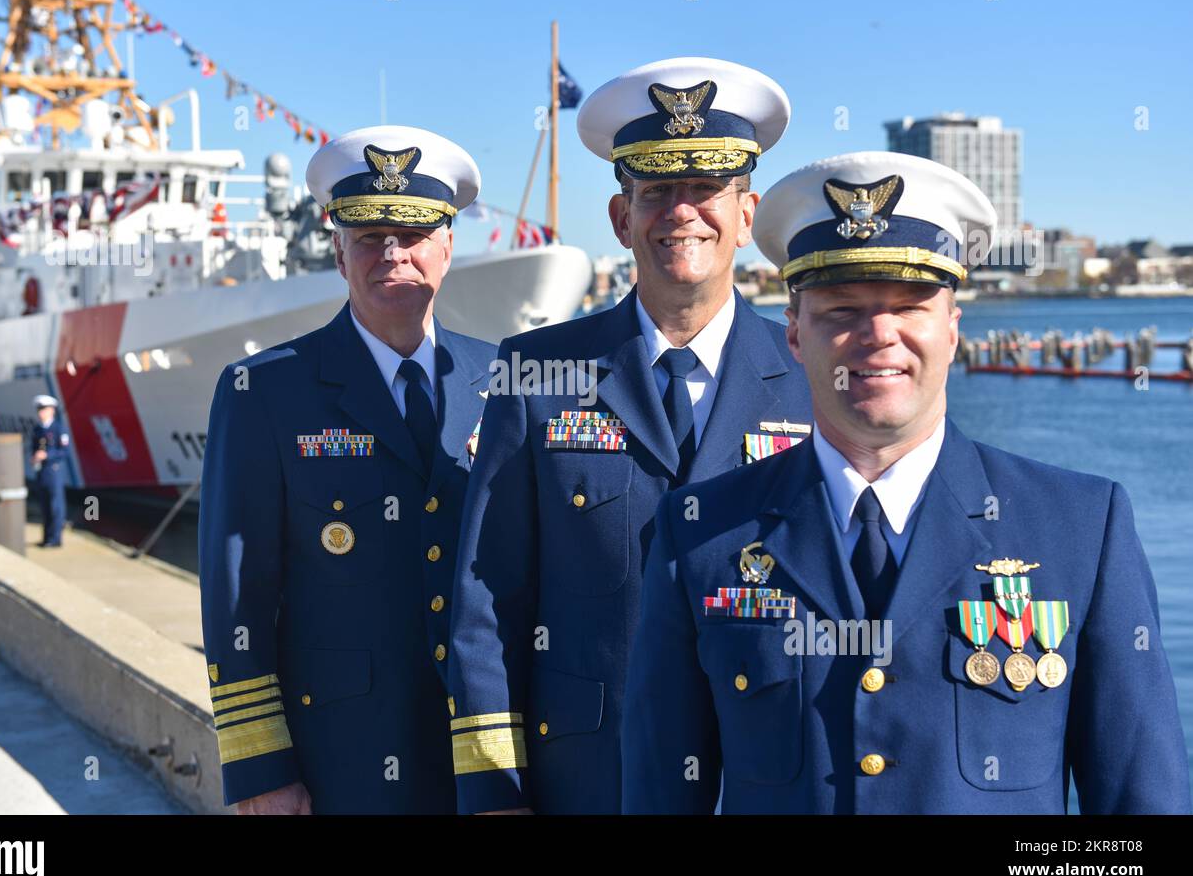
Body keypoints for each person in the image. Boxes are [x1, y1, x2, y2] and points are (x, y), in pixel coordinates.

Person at [621, 151, 1192, 813]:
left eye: (910, 306)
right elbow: (662, 790)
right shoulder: (702, 536)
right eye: (840, 309)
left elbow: (1137, 806)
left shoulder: (1081, 529)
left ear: (952, 329)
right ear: (796, 335)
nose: (878, 335)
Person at [446, 58, 813, 814]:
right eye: (656, 192)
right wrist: (492, 789)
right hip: (583, 781)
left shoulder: (815, 381)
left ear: (746, 216)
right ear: (621, 218)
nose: (682, 212)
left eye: (707, 189)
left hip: (763, 785)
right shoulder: (536, 373)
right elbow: (485, 595)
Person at [199, 126, 496, 814]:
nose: (392, 252)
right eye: (368, 236)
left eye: (414, 232)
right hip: (341, 759)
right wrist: (260, 770)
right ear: (338, 251)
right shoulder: (265, 392)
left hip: (485, 760)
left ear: (448, 245)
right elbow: (236, 594)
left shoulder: (503, 380)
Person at [30, 395, 69, 547]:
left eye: (44, 409)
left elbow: (64, 452)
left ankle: (55, 538)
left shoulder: (58, 428)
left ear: (52, 410)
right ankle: (46, 537)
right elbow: (35, 447)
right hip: (42, 472)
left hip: (54, 471)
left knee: (56, 506)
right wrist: (35, 457)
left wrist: (47, 455)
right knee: (45, 506)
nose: (41, 412)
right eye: (39, 409)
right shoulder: (38, 429)